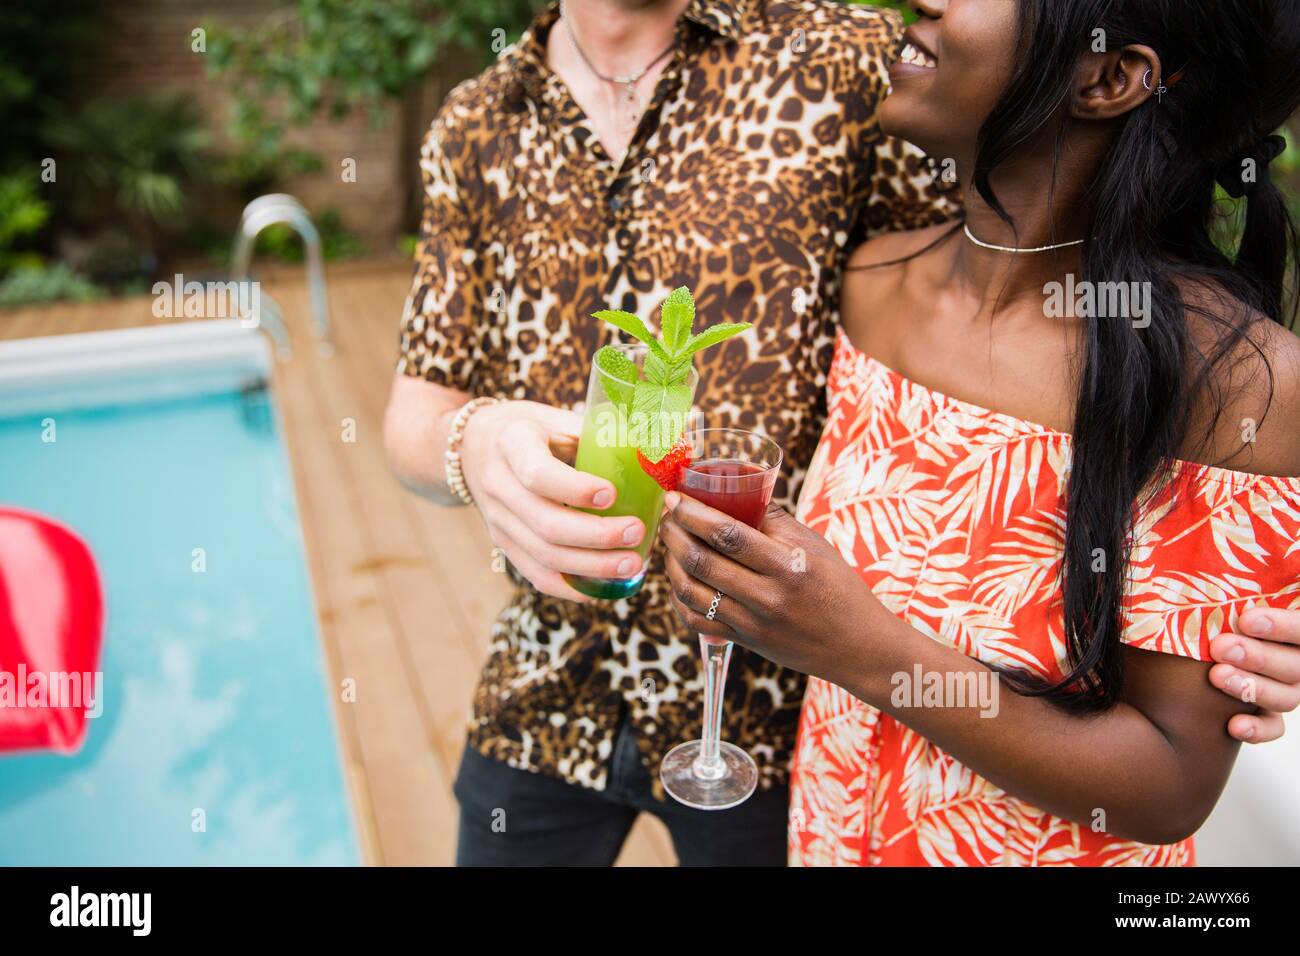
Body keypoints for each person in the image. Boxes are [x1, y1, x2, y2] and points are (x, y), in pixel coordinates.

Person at [386, 0, 1300, 866]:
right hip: (557, 683)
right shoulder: (476, 118)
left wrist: (1255, 580)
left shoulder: (851, 59)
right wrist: (471, 442)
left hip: (774, 725)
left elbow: (1059, 174)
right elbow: (415, 404)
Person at [661, 0, 1300, 865]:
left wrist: (862, 650)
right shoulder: (871, 288)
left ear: (1107, 77)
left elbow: (1168, 786)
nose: (924, 1)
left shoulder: (1233, 381)